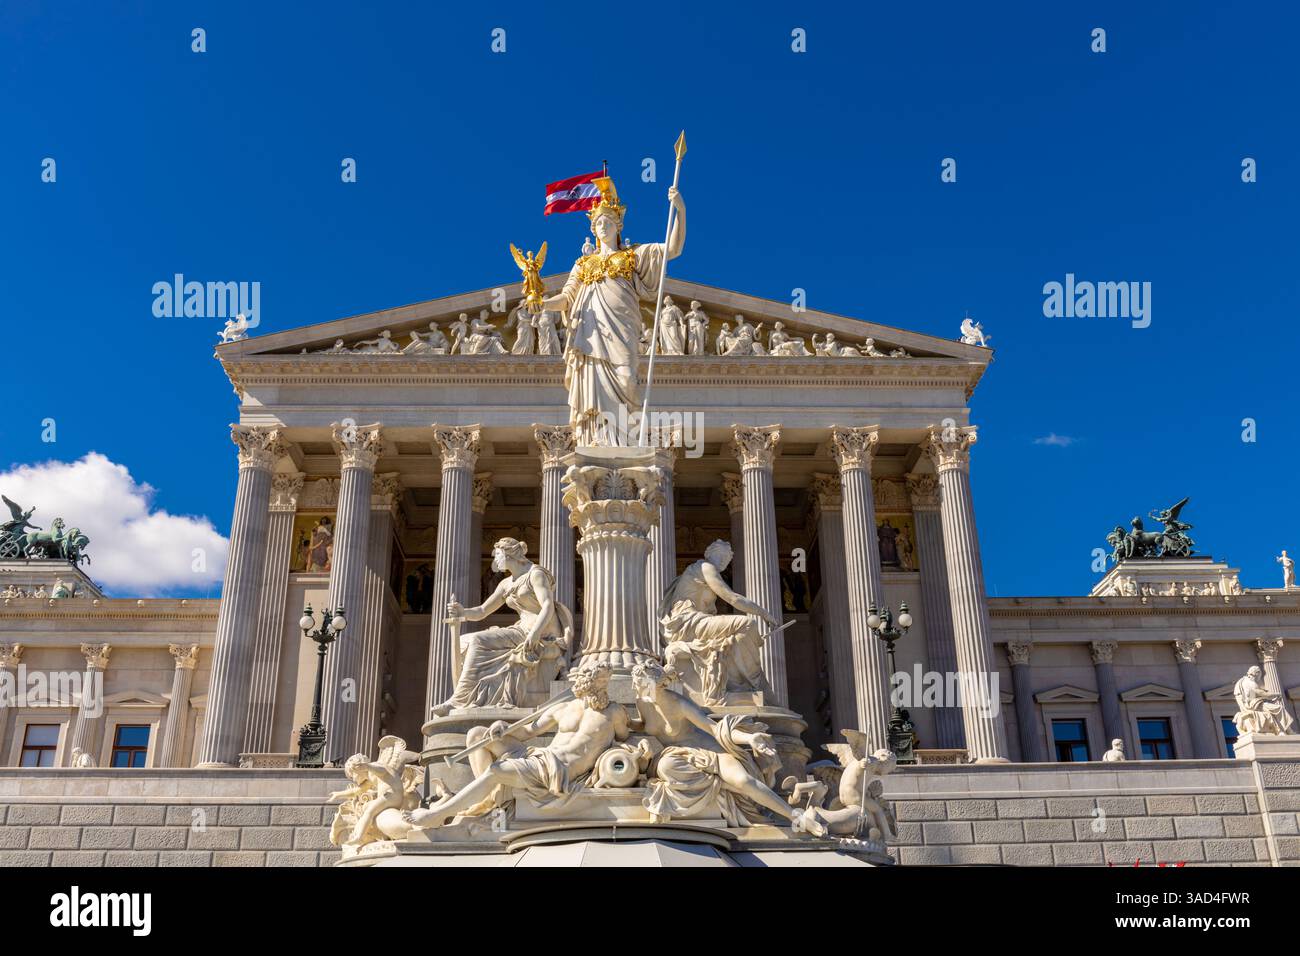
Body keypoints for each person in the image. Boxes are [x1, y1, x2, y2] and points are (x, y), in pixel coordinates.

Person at [529, 178, 686, 445]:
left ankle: (625, 443)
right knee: (592, 392)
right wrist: (543, 303)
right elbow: (567, 298)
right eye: (599, 223)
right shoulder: (583, 264)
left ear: (618, 226)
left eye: (608, 222)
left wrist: (679, 210)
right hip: (590, 335)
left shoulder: (632, 256)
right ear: (593, 229)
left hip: (622, 329)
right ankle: (596, 443)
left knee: (627, 380)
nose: (603, 226)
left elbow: (672, 249)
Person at [406, 664, 627, 828]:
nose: (603, 686)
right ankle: (490, 802)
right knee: (477, 735)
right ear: (583, 683)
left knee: (496, 771)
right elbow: (529, 731)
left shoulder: (614, 712)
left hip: (557, 770)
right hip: (540, 756)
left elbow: (626, 737)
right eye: (598, 681)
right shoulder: (563, 707)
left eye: (605, 681)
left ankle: (441, 814)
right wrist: (504, 726)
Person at [431, 537, 573, 715]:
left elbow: (548, 605)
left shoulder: (535, 574)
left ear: (509, 554)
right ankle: (468, 697)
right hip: (521, 630)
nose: (495, 560)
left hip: (541, 633)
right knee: (465, 641)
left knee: (477, 640)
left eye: (497, 555)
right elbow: (482, 611)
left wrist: (535, 634)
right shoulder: (505, 584)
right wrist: (463, 612)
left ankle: (458, 700)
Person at [659, 539, 777, 705]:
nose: (723, 560)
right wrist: (764, 613)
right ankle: (751, 683)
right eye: (720, 555)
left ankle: (742, 684)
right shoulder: (705, 567)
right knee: (747, 624)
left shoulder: (701, 571)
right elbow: (732, 598)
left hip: (697, 622)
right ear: (709, 554)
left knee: (740, 635)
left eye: (727, 558)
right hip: (688, 624)